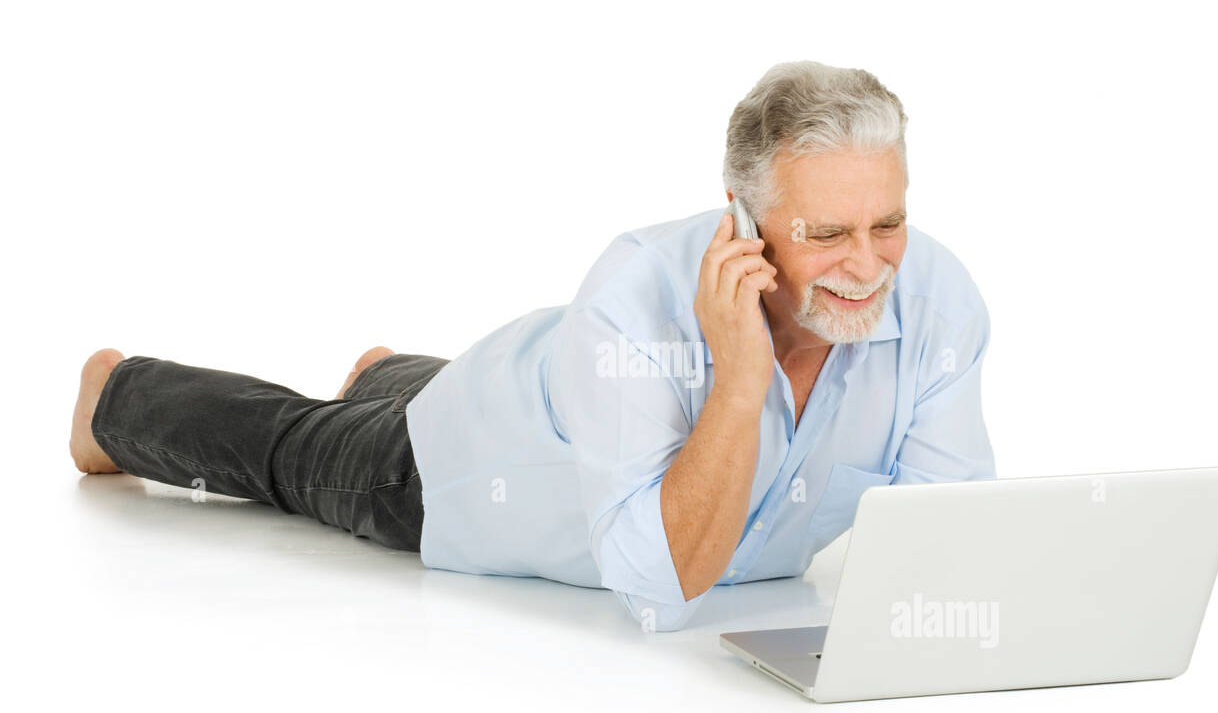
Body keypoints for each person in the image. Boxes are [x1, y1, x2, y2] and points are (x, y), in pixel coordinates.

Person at [69, 60, 995, 632]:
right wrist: (741, 373)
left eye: (890, 222)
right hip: (464, 465)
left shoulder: (939, 300)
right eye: (828, 234)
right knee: (304, 453)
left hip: (563, 387)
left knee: (470, 393)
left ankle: (385, 375)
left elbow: (945, 540)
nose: (870, 264)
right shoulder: (635, 301)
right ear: (745, 222)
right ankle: (118, 397)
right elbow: (665, 585)